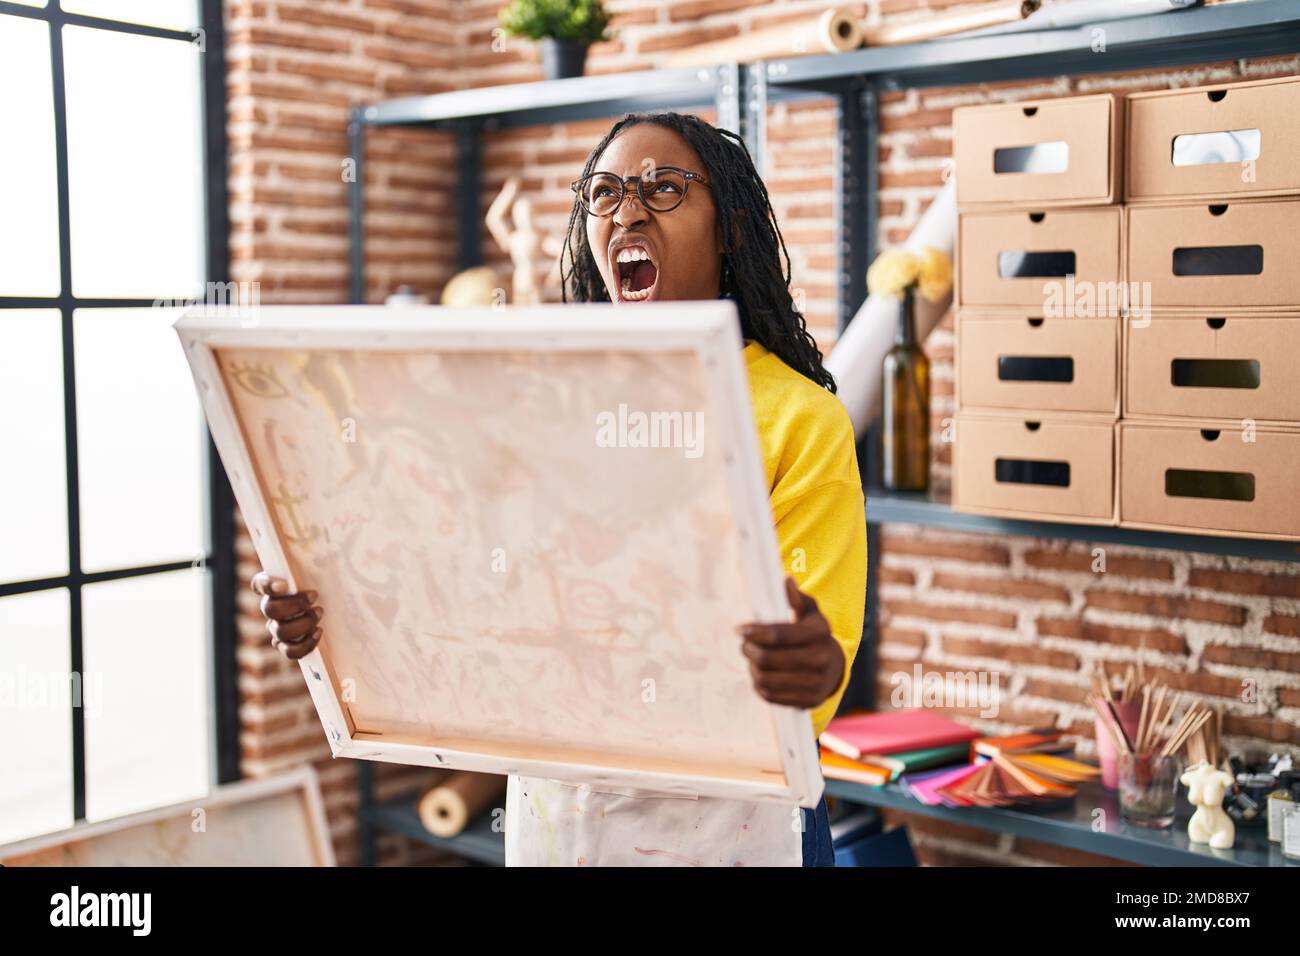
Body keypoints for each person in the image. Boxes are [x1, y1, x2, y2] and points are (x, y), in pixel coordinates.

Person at [252, 111, 867, 866]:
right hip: (556, 815)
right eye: (603, 194)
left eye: (663, 188)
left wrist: (812, 666)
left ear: (730, 228)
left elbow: (819, 668)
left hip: (729, 827)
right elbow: (463, 591)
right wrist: (333, 614)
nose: (627, 211)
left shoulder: (801, 417)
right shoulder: (535, 401)